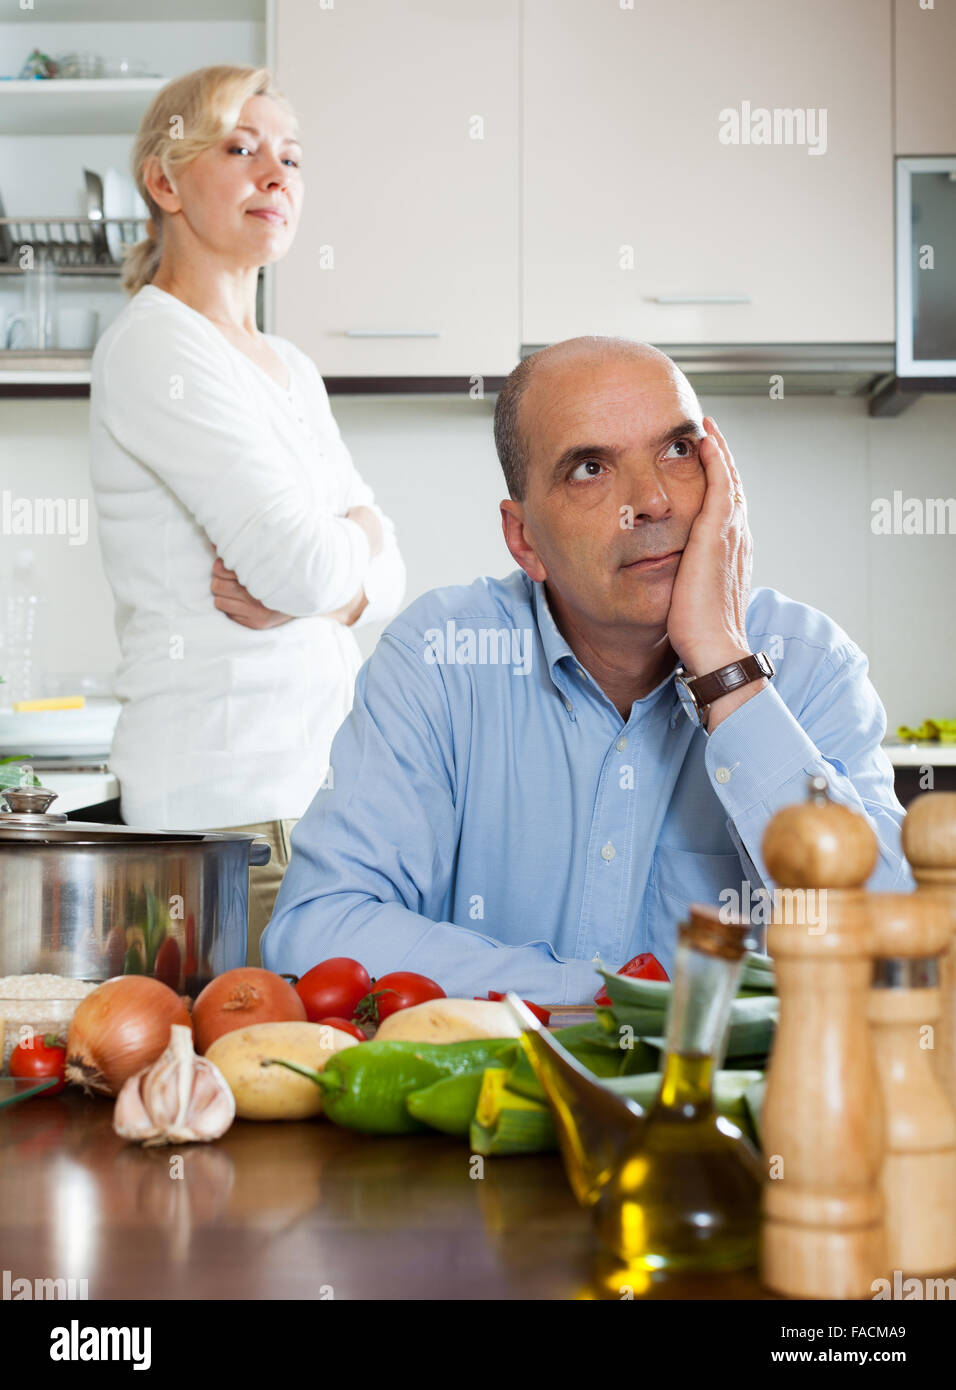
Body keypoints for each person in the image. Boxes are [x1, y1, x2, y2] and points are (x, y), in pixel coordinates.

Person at [261, 337, 912, 999]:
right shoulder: (442, 660)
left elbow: (893, 956)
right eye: (590, 469)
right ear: (525, 540)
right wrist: (604, 996)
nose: (651, 501)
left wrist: (725, 669)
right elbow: (318, 929)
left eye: (678, 450)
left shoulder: (811, 666)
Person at [89, 65, 405, 963]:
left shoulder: (290, 368)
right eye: (241, 149)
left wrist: (327, 588)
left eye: (292, 158)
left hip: (312, 807)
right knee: (250, 1084)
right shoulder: (156, 347)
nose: (277, 175)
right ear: (164, 181)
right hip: (227, 821)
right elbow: (312, 562)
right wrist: (335, 568)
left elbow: (383, 572)